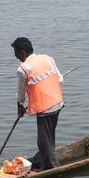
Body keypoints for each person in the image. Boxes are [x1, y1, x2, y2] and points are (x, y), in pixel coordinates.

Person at [12, 37, 65, 171]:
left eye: (16, 53)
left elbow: (21, 93)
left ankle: (53, 168)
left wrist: (20, 105)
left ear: (23, 52)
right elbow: (60, 79)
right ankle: (42, 159)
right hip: (57, 102)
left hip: (45, 107)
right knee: (49, 136)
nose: (16, 56)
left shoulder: (23, 69)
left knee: (43, 141)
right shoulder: (47, 58)